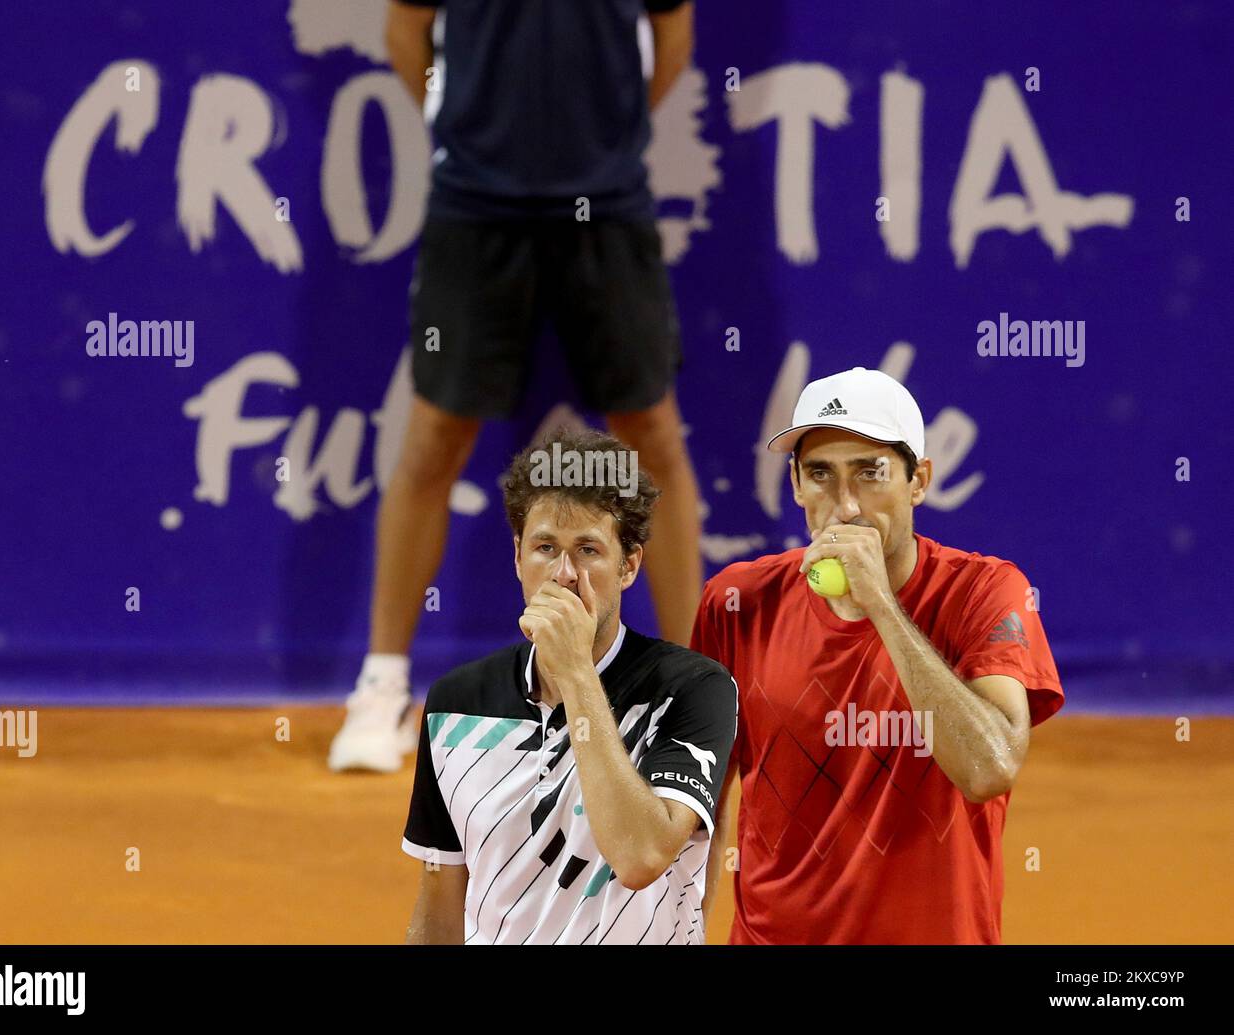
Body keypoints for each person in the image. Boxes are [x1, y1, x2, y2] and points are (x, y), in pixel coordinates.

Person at [329, 0, 703, 772]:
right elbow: (407, 24)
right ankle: (383, 685)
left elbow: (673, 34)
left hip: (609, 205)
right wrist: (460, 117)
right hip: (476, 205)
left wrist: (606, 136)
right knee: (434, 435)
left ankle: (694, 691)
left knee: (653, 434)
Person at [691, 366, 1065, 944]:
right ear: (794, 484)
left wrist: (883, 608)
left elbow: (989, 768)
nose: (845, 506)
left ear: (919, 481)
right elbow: (703, 803)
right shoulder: (738, 603)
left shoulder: (984, 593)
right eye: (820, 474)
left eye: (871, 474)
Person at [401, 428, 737, 943]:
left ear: (628, 566)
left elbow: (640, 855)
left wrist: (576, 671)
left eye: (587, 550)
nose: (563, 575)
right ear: (517, 558)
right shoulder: (455, 703)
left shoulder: (691, 689)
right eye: (544, 548)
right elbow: (441, 900)